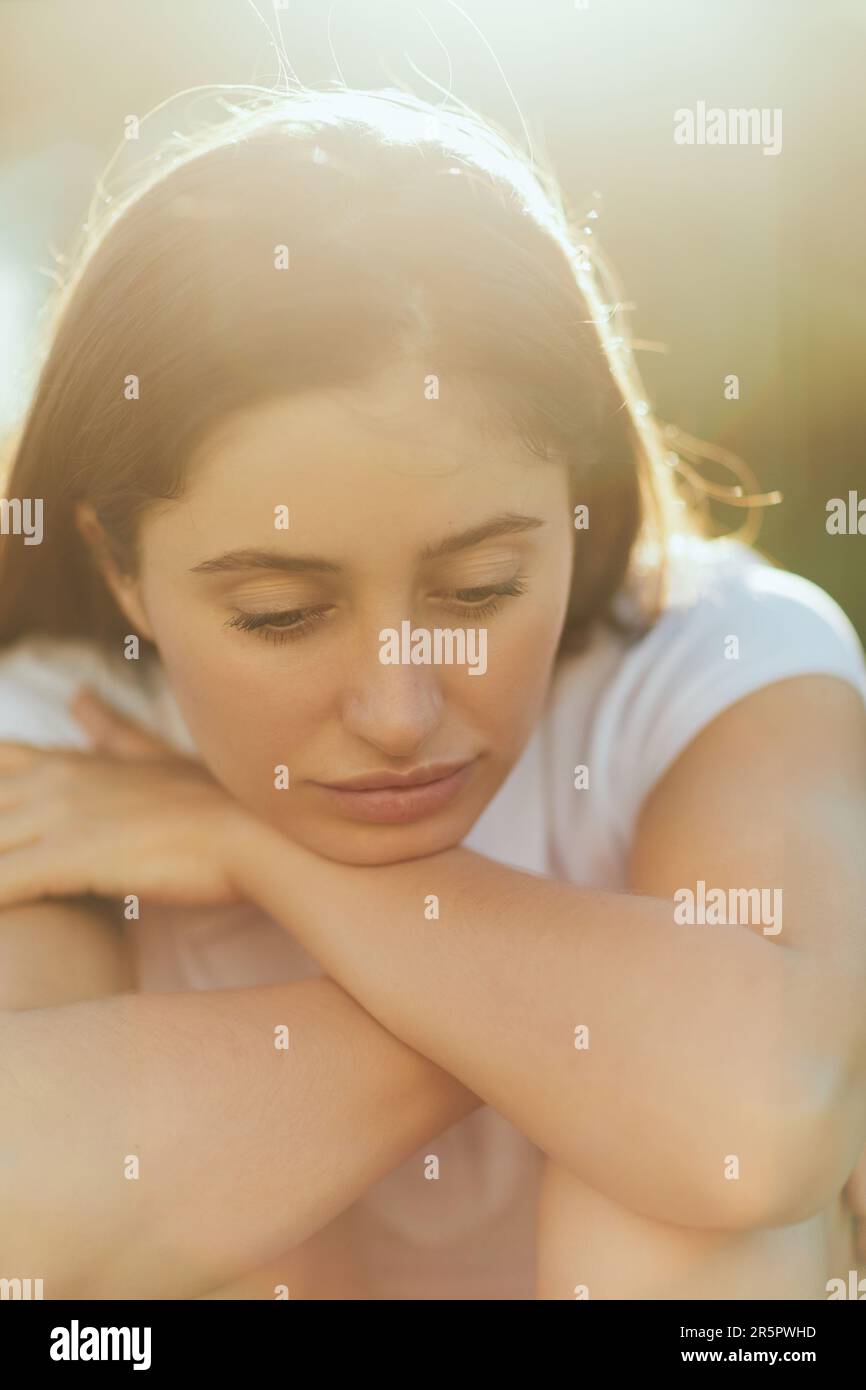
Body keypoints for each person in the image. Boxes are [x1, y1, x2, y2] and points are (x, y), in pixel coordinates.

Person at [1, 87, 864, 1301]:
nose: (398, 713)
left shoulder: (715, 663)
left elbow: (754, 1122)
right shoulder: (56, 747)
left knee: (690, 1209)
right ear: (119, 569)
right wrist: (620, 1034)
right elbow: (25, 1219)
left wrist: (246, 840)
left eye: (478, 588)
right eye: (280, 614)